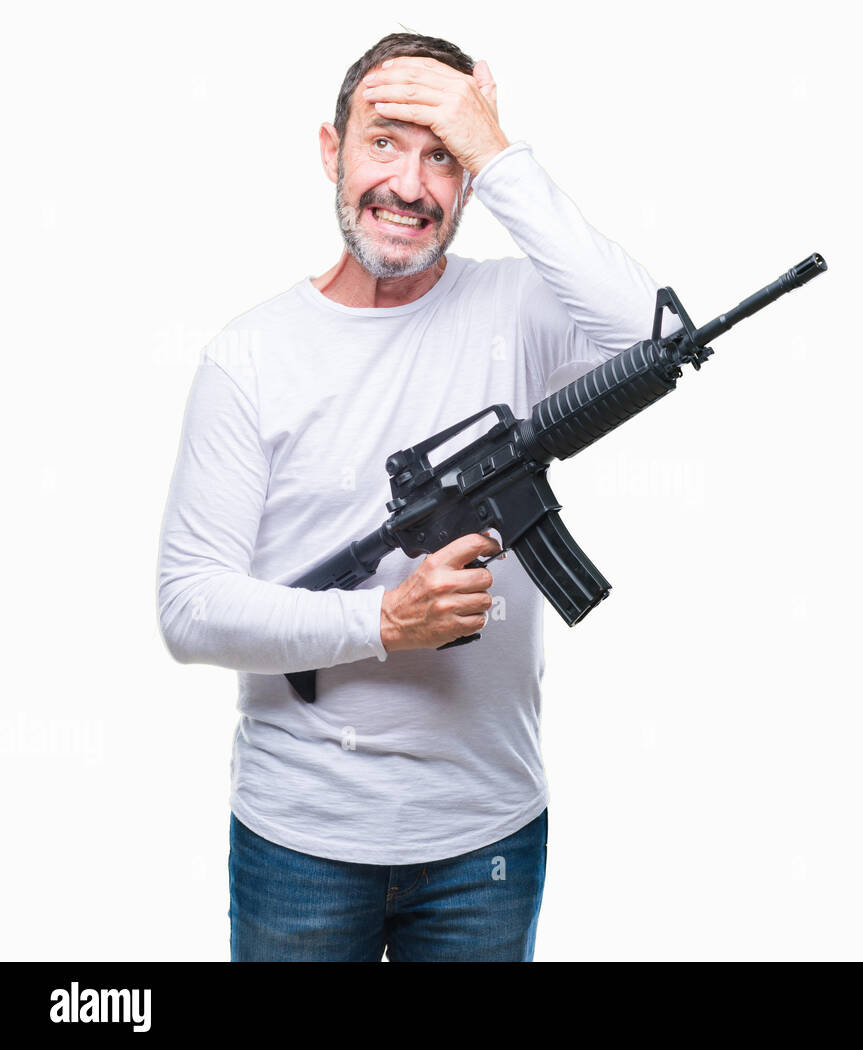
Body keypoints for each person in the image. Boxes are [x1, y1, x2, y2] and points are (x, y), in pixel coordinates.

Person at [156, 32, 669, 961]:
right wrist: (383, 623)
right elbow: (190, 610)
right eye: (384, 141)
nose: (410, 184)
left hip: (488, 833)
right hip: (300, 839)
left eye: (444, 155)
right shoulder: (251, 356)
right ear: (330, 151)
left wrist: (501, 152)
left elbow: (652, 334)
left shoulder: (517, 307)